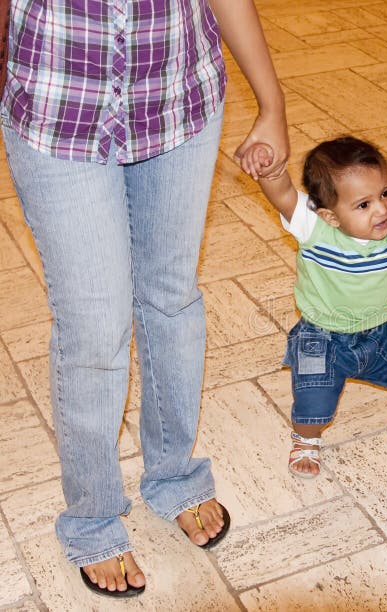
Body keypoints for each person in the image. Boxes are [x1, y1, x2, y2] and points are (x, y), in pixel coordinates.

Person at [1, 0, 288, 597]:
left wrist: (272, 101)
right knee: (94, 324)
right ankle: (94, 513)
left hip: (178, 97)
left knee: (171, 298)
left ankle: (175, 474)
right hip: (57, 101)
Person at [239, 100, 387, 478]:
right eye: (363, 204)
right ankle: (305, 439)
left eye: (385, 193)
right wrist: (268, 166)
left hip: (379, 331)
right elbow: (281, 192)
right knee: (314, 402)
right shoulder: (313, 228)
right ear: (328, 215)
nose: (382, 210)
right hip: (320, 337)